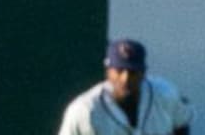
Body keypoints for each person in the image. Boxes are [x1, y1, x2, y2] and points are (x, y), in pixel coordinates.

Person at [57, 39, 195, 135]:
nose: (125, 78)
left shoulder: (164, 94)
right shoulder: (85, 110)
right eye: (119, 71)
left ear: (143, 73)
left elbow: (182, 123)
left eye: (132, 72)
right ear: (108, 72)